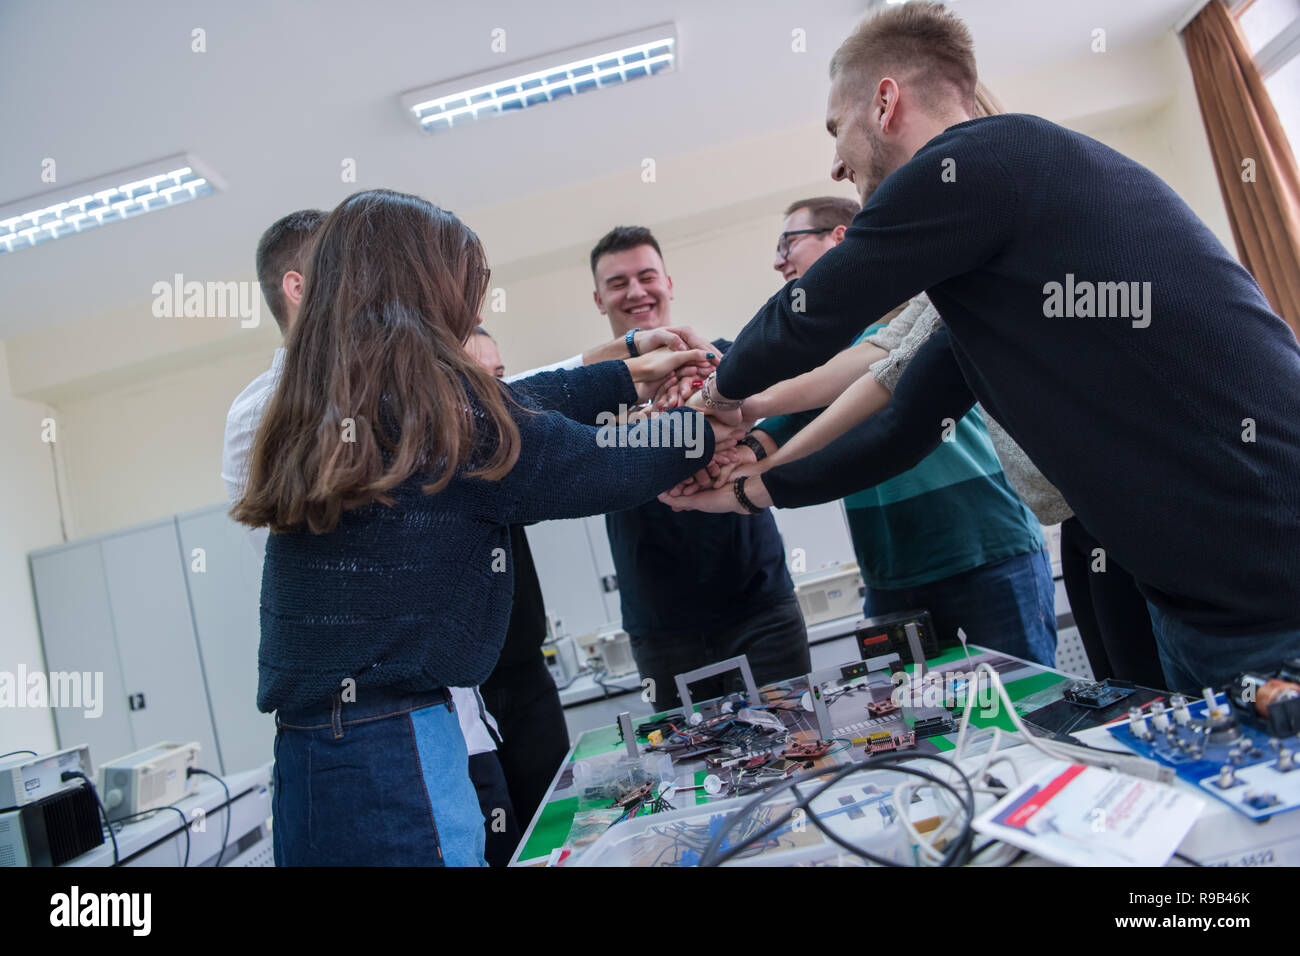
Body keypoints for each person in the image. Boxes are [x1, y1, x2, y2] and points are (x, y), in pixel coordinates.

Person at [691, 1, 1300, 692]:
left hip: (1268, 577)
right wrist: (748, 492)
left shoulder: (980, 162)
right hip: (1197, 602)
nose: (836, 164)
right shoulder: (995, 265)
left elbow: (811, 314)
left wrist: (718, 395)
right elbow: (905, 422)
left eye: (838, 129)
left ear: (885, 102)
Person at [231, 190, 716, 866]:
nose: (477, 312)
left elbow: (512, 404)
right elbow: (578, 465)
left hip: (319, 756)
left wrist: (627, 376)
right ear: (417, 286)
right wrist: (705, 425)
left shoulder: (337, 397)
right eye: (463, 289)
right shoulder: (427, 414)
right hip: (391, 757)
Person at [729, 195, 1057, 665]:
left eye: (788, 242)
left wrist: (752, 447)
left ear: (838, 237)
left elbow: (866, 381)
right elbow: (799, 412)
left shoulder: (915, 308)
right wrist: (741, 447)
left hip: (985, 555)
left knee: (1022, 717)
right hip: (889, 575)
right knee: (918, 732)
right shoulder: (817, 349)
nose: (778, 260)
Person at [588, 225, 812, 707]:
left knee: (797, 744)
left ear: (668, 283)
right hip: (661, 627)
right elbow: (589, 455)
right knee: (689, 773)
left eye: (647, 276)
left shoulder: (724, 361)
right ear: (598, 298)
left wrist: (738, 440)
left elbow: (799, 406)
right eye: (618, 282)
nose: (635, 291)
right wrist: (666, 421)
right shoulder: (589, 394)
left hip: (762, 607)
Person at [464, 327, 571, 838]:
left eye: (501, 379)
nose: (497, 398)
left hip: (529, 684)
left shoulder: (513, 448)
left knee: (557, 832)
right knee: (498, 845)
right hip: (463, 705)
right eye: (477, 382)